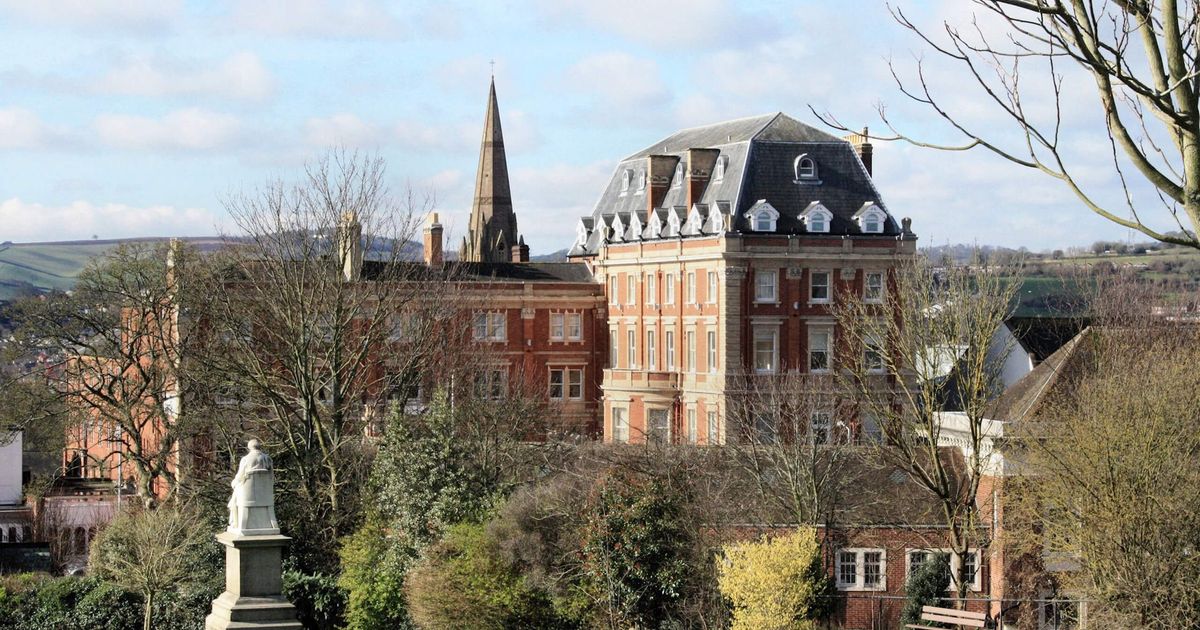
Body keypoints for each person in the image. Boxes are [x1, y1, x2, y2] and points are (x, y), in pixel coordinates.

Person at [227, 439, 279, 534]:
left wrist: (233, 483)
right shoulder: (268, 459)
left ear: (249, 447)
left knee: (235, 493)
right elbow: (272, 477)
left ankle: (235, 522)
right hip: (265, 496)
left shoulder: (246, 459)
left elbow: (239, 476)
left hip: (247, 495)